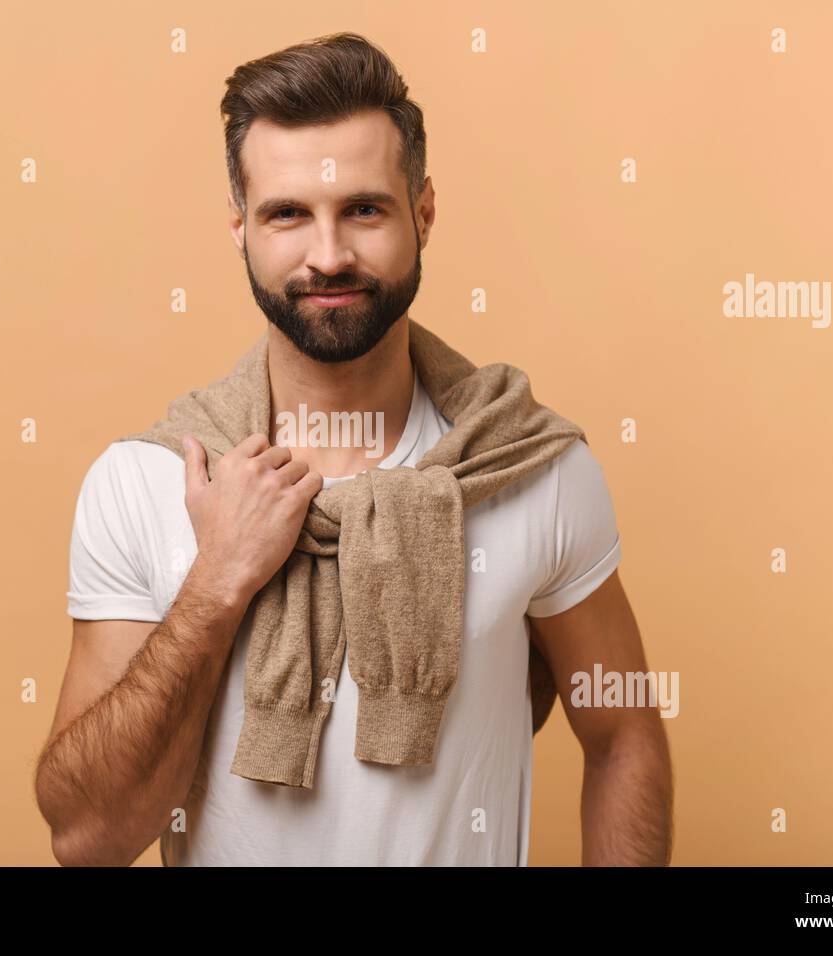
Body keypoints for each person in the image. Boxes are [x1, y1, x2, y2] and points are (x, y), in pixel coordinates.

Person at [34, 32, 672, 866]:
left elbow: (623, 734)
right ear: (240, 230)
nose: (328, 255)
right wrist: (218, 580)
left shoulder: (528, 467)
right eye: (287, 213)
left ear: (425, 213)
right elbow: (89, 837)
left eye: (363, 209)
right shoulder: (145, 483)